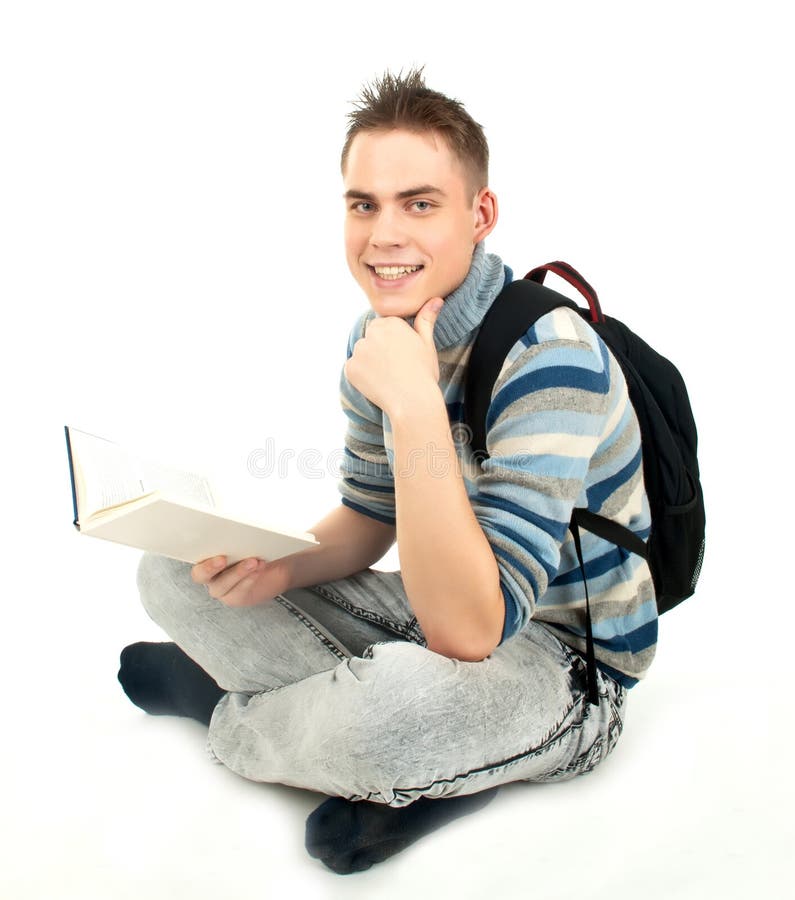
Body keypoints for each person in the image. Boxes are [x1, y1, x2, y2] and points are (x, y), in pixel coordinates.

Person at [118, 68, 657, 875]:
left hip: (566, 664)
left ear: (480, 214)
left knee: (396, 710)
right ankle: (420, 762)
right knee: (171, 573)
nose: (383, 235)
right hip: (445, 601)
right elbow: (370, 521)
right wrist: (276, 566)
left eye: (419, 203)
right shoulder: (376, 337)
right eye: (362, 204)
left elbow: (472, 631)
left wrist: (414, 408)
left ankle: (227, 709)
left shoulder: (554, 358)